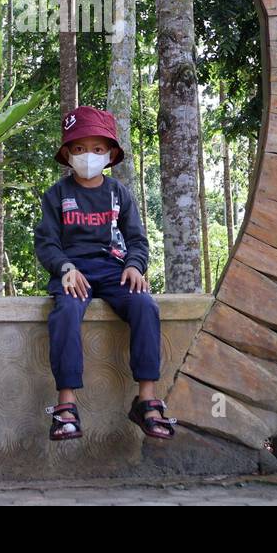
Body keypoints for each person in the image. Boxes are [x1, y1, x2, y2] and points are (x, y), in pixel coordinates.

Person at [33, 105, 178, 442]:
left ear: (110, 154)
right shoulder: (57, 195)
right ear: (67, 153)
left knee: (146, 306)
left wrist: (134, 265)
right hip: (73, 273)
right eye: (80, 148)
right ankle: (66, 406)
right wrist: (64, 268)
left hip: (114, 270)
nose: (88, 156)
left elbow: (137, 239)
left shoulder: (119, 194)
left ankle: (146, 400)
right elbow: (46, 242)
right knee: (65, 313)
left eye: (97, 149)